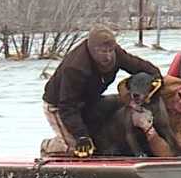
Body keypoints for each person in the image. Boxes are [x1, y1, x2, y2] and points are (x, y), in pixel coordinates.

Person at [41, 26, 160, 157]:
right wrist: (81, 136)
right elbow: (67, 107)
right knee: (77, 149)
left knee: (121, 103)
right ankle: (49, 146)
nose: (108, 56)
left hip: (89, 101)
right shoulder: (75, 68)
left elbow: (137, 65)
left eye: (110, 50)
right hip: (59, 106)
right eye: (103, 51)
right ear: (92, 49)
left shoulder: (117, 53)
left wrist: (155, 77)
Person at [116, 75, 181, 157]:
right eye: (180, 95)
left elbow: (170, 153)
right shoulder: (166, 83)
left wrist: (148, 129)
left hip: (153, 141)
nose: (180, 101)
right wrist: (132, 103)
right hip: (127, 123)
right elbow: (124, 84)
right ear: (180, 88)